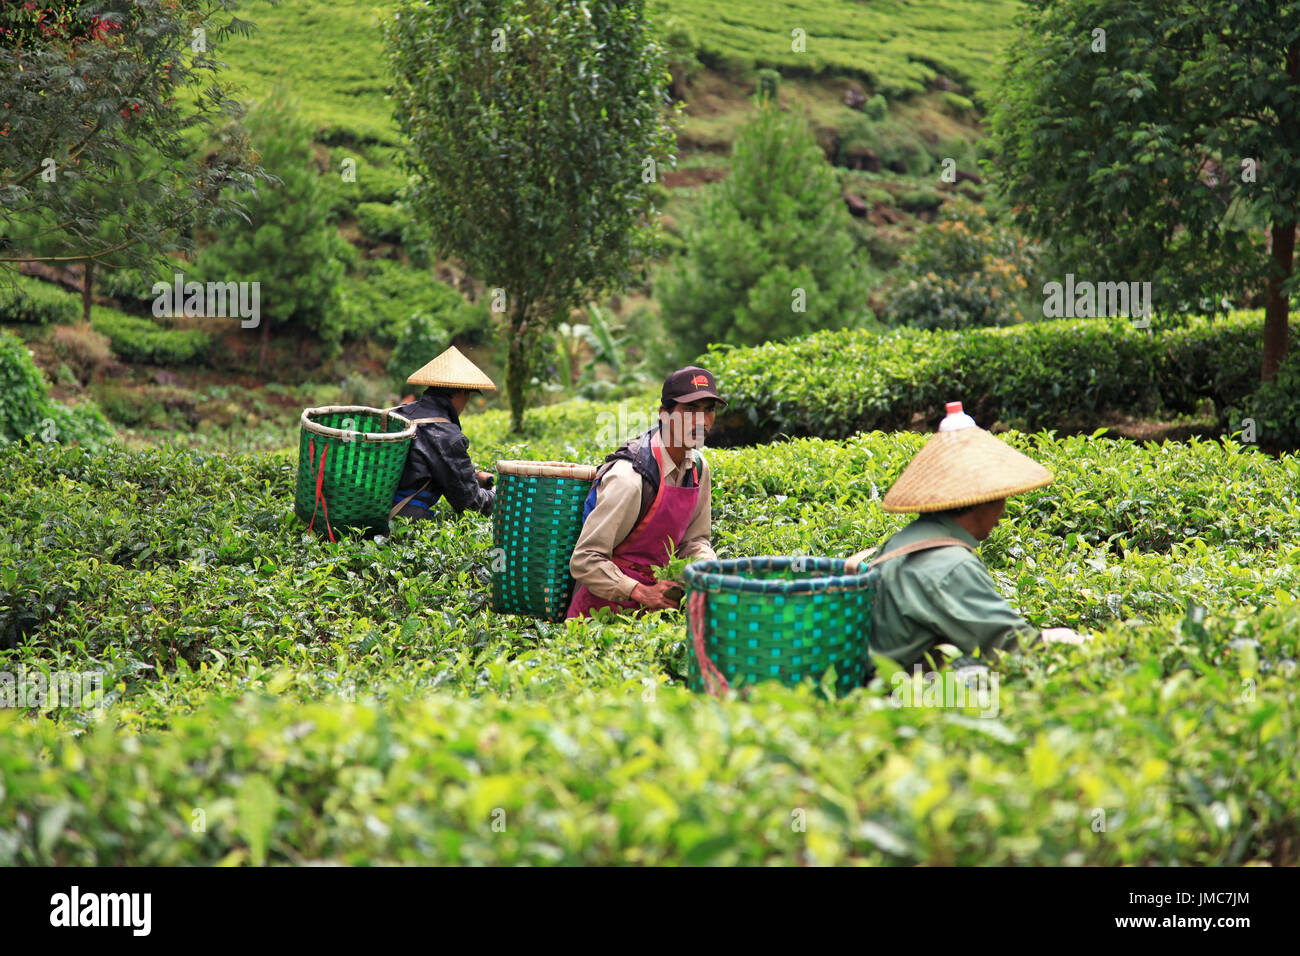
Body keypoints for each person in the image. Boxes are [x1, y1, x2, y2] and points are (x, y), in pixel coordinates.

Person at [853, 401, 1085, 671]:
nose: (1002, 510)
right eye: (1000, 498)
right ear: (980, 500)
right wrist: (1063, 640)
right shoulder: (951, 565)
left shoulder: (903, 540)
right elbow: (1012, 647)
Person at [566, 366, 726, 619]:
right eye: (691, 410)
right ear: (664, 415)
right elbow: (585, 559)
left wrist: (709, 566)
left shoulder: (698, 468)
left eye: (709, 410)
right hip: (598, 618)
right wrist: (639, 591)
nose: (702, 421)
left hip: (654, 617)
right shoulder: (629, 477)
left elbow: (693, 541)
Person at [390, 346, 496, 519]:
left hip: (372, 513)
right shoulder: (448, 437)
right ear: (462, 392)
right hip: (402, 523)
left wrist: (474, 476)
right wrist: (496, 494)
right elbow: (470, 502)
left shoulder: (399, 414)